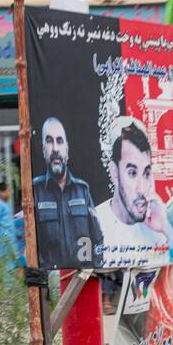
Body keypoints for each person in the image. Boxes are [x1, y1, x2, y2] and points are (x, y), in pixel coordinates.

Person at [32, 116, 102, 278]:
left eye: (60, 141)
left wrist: (94, 272)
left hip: (83, 280)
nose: (55, 148)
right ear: (43, 149)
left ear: (67, 149)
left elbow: (98, 239)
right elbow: (30, 245)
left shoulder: (82, 191)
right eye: (49, 141)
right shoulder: (35, 192)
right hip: (53, 283)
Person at [94, 118, 169, 268]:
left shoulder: (158, 232)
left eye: (146, 173)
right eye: (132, 173)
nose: (142, 189)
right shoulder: (92, 226)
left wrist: (167, 230)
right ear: (115, 173)